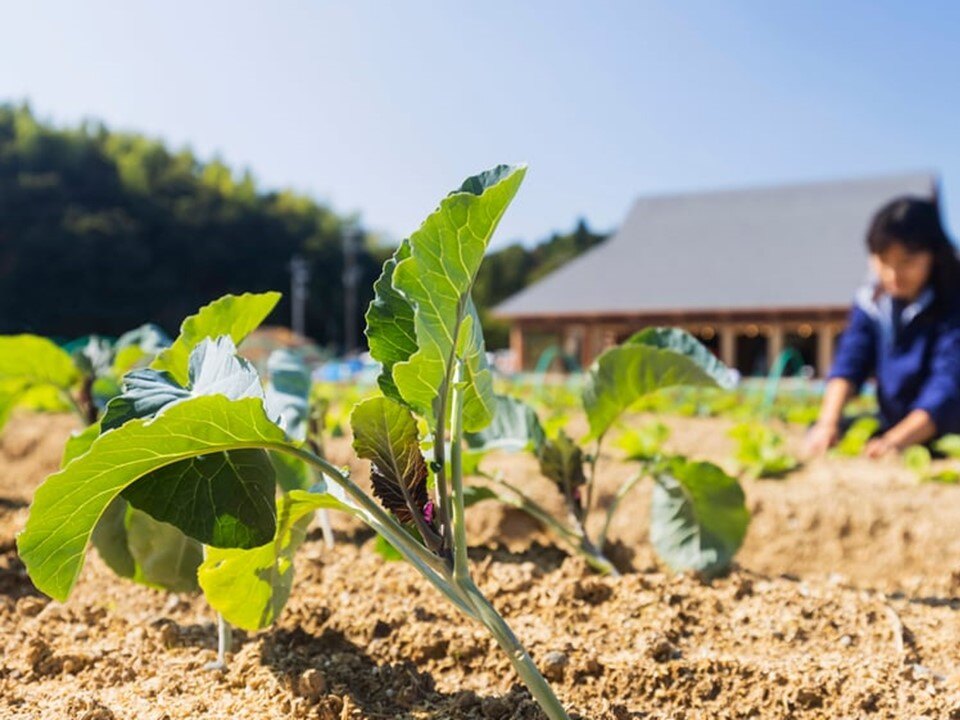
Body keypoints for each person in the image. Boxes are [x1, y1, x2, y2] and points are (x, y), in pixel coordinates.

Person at [805, 197, 960, 459]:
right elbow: (850, 361)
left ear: (933, 256)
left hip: (944, 423)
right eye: (883, 261)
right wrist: (827, 423)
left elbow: (948, 384)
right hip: (895, 419)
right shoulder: (872, 301)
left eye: (906, 262)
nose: (892, 274)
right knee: (828, 430)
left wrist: (897, 440)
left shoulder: (953, 301)